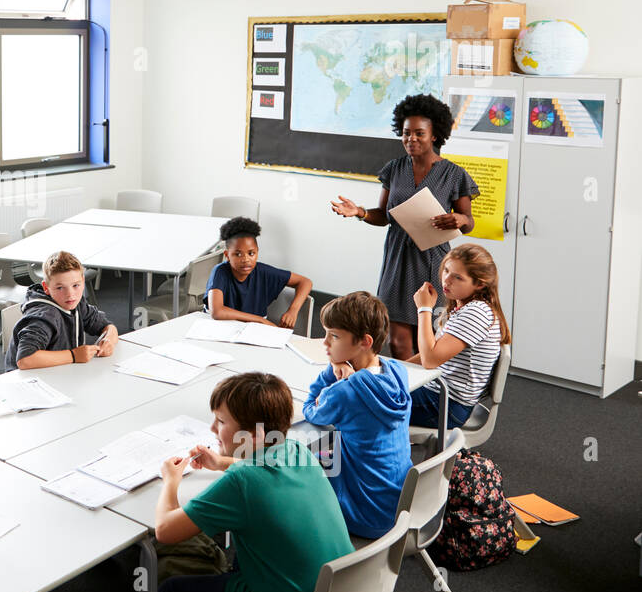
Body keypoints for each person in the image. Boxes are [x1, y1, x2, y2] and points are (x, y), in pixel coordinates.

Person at [154, 373, 354, 592]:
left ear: (253, 435)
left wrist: (171, 481)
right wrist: (221, 462)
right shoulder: (296, 450)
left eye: (221, 421)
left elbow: (164, 531)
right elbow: (265, 469)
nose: (213, 429)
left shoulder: (242, 481)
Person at [330, 93, 480, 360]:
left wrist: (460, 219)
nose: (411, 139)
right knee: (398, 344)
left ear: (434, 135)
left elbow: (468, 222)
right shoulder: (394, 169)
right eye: (406, 133)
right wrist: (360, 212)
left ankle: (424, 398)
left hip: (433, 262)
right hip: (397, 262)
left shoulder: (454, 174)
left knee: (428, 343)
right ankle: (402, 397)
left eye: (419, 133)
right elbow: (384, 215)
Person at [302, 292, 412, 538]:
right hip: (396, 503)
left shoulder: (344, 393)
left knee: (295, 464)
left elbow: (310, 409)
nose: (325, 343)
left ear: (365, 341)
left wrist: (332, 371)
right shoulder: (397, 370)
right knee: (328, 451)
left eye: (334, 336)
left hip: (363, 513)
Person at [407, 243, 510, 429]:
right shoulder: (463, 307)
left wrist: (424, 309)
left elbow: (430, 359)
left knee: (357, 398)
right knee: (363, 387)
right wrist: (392, 368)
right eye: (446, 270)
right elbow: (427, 355)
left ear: (479, 284)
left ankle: (345, 453)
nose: (446, 280)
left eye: (457, 277)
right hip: (437, 394)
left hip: (446, 405)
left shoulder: (476, 313)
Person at [7, 250, 119, 371]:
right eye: (60, 288)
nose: (70, 294)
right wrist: (73, 355)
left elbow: (108, 326)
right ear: (46, 288)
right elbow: (25, 360)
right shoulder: (44, 316)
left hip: (61, 373)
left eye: (75, 285)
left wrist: (109, 340)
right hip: (28, 382)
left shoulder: (76, 303)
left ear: (82, 281)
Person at [204, 216, 313, 327]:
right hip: (221, 329)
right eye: (238, 254)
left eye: (251, 253)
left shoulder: (263, 272)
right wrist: (260, 320)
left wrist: (293, 310)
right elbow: (217, 312)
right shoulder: (220, 272)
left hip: (254, 332)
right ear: (227, 255)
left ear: (257, 252)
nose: (246, 259)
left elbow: (305, 282)